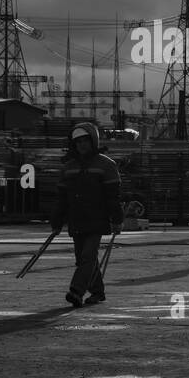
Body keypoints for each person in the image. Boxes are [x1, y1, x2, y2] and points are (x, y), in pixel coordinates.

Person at [50, 123, 122, 307]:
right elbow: (62, 199)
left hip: (97, 219)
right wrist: (57, 221)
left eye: (85, 141)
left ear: (93, 141)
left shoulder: (106, 165)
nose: (81, 145)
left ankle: (76, 291)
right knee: (84, 258)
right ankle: (97, 292)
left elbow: (113, 196)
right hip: (76, 219)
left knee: (87, 256)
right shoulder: (68, 168)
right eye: (78, 142)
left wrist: (117, 219)